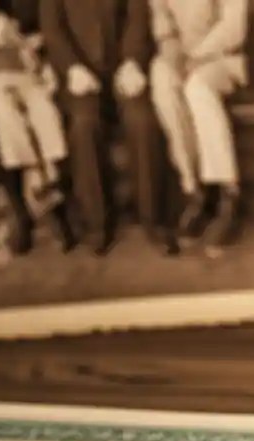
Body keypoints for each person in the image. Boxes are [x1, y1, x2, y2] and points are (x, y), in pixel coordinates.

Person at [40, 0, 176, 256]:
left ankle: (154, 219)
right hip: (80, 76)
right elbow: (53, 31)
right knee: (83, 125)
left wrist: (133, 61)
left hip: (123, 70)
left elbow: (137, 19)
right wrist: (72, 68)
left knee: (142, 120)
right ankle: (97, 223)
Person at [0, 0, 77, 254]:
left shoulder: (6, 23)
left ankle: (49, 178)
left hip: (28, 73)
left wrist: (40, 62)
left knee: (43, 110)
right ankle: (20, 207)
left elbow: (31, 44)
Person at [149, 0, 249, 251]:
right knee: (162, 81)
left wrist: (198, 55)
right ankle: (194, 189)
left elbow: (234, 27)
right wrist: (173, 53)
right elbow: (162, 22)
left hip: (222, 58)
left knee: (197, 88)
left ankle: (227, 192)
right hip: (183, 59)